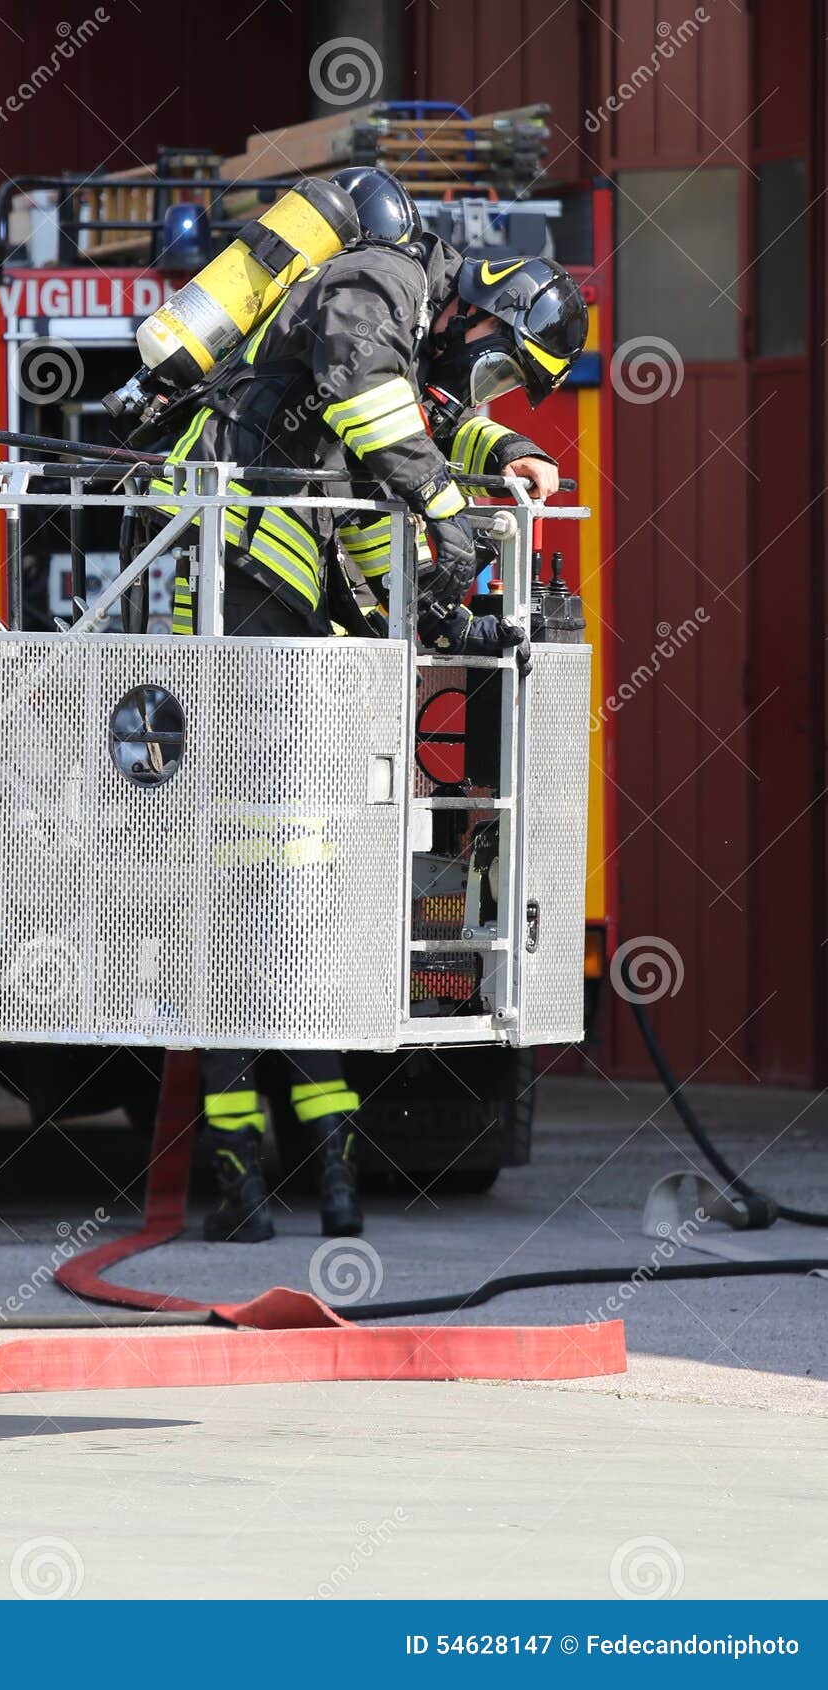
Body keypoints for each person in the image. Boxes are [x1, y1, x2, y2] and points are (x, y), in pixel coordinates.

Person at [145, 168, 589, 1243]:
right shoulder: (381, 278)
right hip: (229, 575)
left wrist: (509, 454)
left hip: (274, 599)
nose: (486, 383)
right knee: (252, 921)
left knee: (269, 936)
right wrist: (440, 501)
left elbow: (422, 416)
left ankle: (282, 1193)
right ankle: (271, 1191)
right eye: (498, 363)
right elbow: (364, 388)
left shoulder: (413, 326)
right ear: (483, 308)